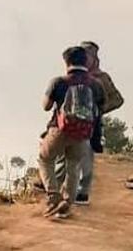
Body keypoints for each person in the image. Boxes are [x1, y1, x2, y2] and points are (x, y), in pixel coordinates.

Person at [38, 46, 106, 219]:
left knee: (45, 159)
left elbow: (45, 106)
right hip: (83, 133)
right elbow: (100, 110)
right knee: (73, 165)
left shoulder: (59, 81)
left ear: (66, 62)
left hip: (59, 130)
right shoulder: (96, 85)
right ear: (86, 62)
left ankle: (53, 197)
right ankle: (67, 203)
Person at [55, 41, 123, 206]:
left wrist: (99, 109)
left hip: (90, 125)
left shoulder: (102, 79)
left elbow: (117, 100)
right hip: (68, 123)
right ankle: (55, 188)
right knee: (62, 154)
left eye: (88, 56)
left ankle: (82, 193)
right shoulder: (75, 76)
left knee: (86, 158)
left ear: (94, 58)